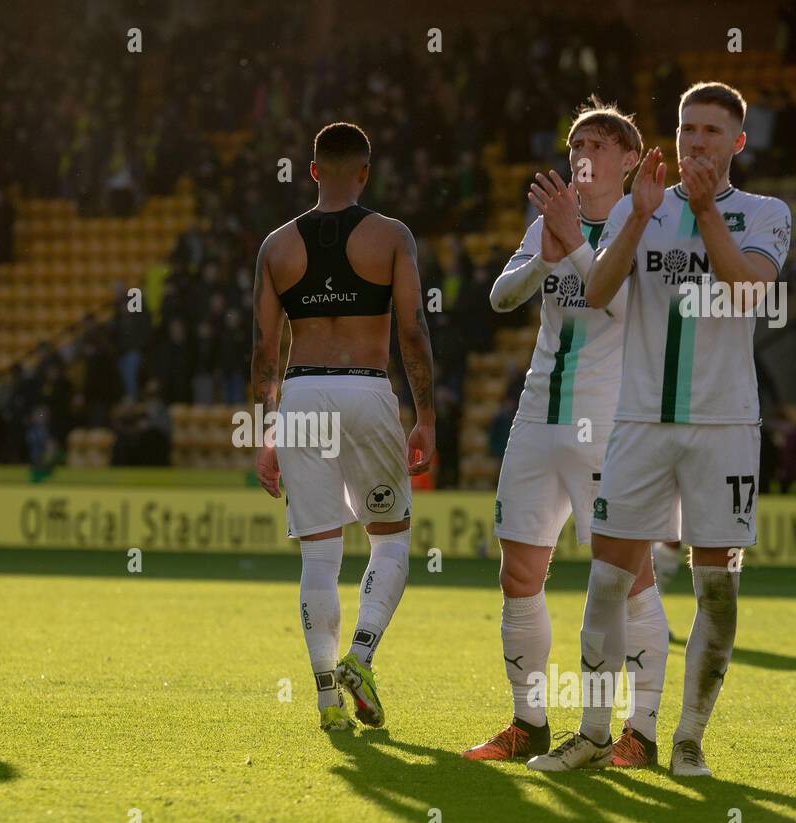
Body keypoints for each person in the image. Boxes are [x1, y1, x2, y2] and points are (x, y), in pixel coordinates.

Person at [528, 82, 792, 777]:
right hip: (640, 422)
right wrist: (642, 220)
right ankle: (592, 733)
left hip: (724, 426)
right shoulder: (638, 208)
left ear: (737, 142)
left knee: (718, 589)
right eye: (685, 129)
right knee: (608, 582)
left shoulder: (765, 214)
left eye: (710, 131)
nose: (694, 142)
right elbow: (596, 291)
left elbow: (748, 291)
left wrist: (704, 214)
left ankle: (687, 738)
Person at [463, 99, 669, 768]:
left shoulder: (649, 223)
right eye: (577, 142)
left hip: (610, 425)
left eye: (600, 144)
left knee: (628, 578)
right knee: (519, 571)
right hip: (536, 418)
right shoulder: (550, 220)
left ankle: (635, 731)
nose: (584, 153)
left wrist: (571, 245)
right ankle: (529, 721)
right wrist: (542, 252)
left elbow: (613, 299)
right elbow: (501, 298)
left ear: (630, 158)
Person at [251, 122, 435, 732]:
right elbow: (412, 333)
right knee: (391, 540)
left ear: (311, 171)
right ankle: (361, 654)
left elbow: (262, 350)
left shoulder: (276, 248)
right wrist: (426, 417)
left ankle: (327, 694)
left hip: (301, 393)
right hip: (366, 391)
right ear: (364, 172)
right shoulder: (390, 237)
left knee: (319, 556)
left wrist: (265, 430)